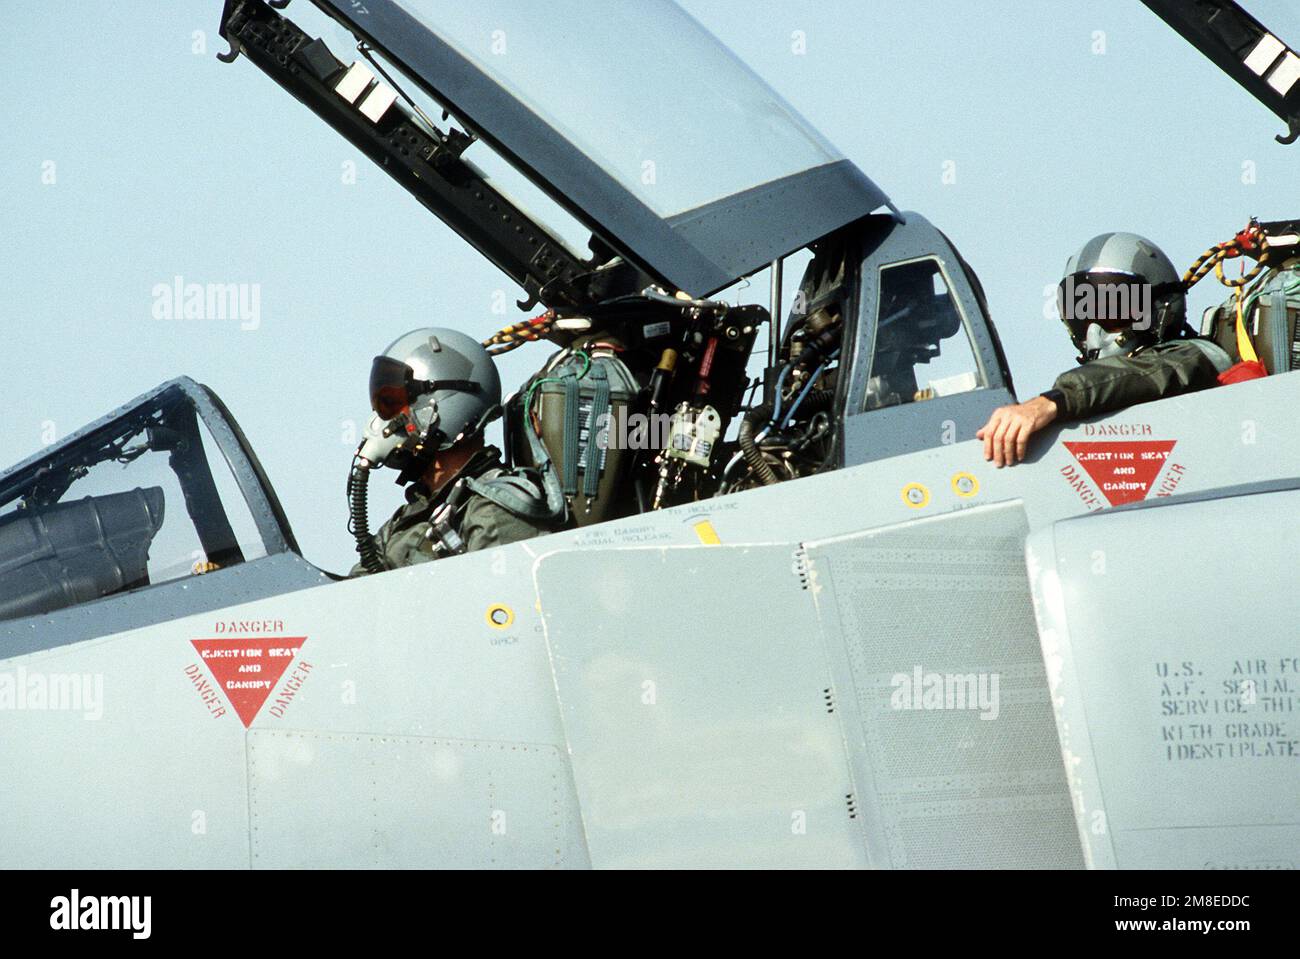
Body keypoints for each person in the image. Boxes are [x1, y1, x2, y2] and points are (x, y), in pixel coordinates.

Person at [977, 232, 1232, 467]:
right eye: (1082, 315)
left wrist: (1052, 401)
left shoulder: (1197, 357)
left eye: (1114, 312)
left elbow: (1141, 374)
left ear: (1161, 308)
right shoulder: (1104, 399)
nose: (1094, 332)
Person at [347, 328, 565, 576]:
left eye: (395, 404)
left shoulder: (494, 511)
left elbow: (507, 607)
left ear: (442, 406)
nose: (383, 421)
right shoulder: (406, 520)